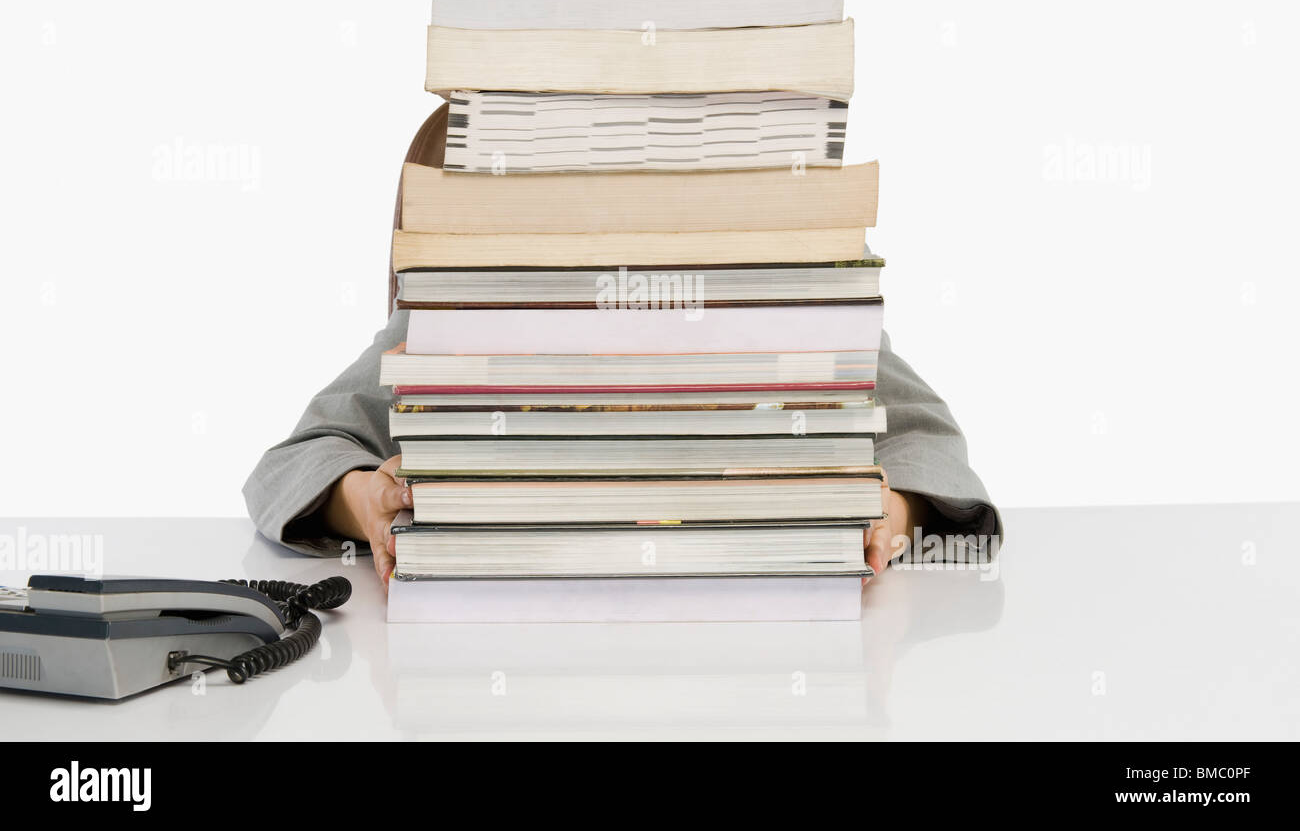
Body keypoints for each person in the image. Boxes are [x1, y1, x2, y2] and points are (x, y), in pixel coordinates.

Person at [244, 310, 1000, 589]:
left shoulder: (786, 298)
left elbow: (922, 439)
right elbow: (295, 461)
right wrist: (364, 503)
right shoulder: (461, 315)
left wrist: (884, 511)